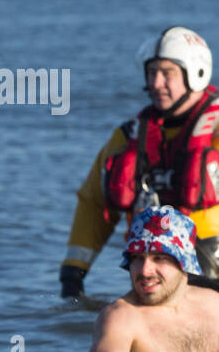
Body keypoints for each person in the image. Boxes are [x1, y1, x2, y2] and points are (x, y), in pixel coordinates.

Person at [61, 26, 219, 294]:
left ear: (196, 73)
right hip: (153, 274)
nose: (156, 83)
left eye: (167, 73)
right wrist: (74, 271)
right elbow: (93, 203)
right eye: (152, 72)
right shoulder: (129, 137)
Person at [89, 206, 219, 352]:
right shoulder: (121, 315)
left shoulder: (214, 305)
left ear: (184, 262)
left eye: (159, 258)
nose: (145, 271)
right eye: (138, 258)